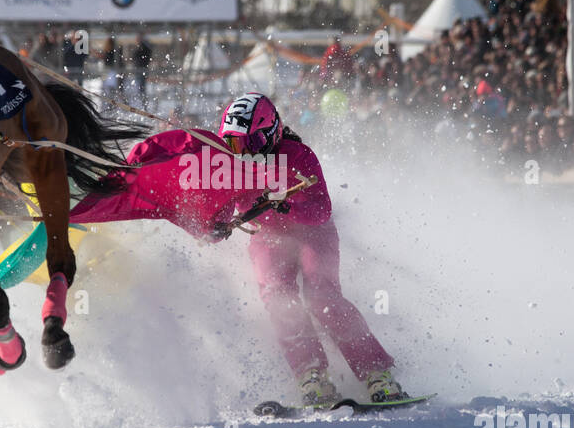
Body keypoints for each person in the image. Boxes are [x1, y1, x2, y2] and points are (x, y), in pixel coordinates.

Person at [68, 93, 406, 406]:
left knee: (321, 296)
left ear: (270, 135)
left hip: (312, 235)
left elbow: (321, 210)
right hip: (267, 237)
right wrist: (215, 228)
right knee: (278, 299)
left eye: (250, 144)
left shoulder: (297, 155)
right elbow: (224, 211)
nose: (241, 153)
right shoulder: (227, 162)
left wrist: (287, 204)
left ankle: (377, 372)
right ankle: (311, 375)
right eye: (232, 143)